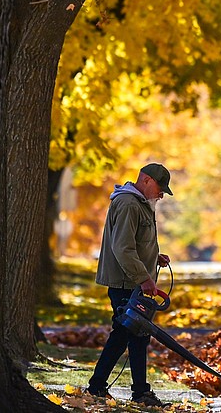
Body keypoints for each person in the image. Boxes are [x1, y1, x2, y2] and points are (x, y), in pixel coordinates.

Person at [86, 163, 174, 408]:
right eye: (160, 187)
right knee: (128, 333)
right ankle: (113, 388)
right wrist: (144, 278)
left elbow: (135, 242)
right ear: (146, 180)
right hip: (126, 282)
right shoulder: (128, 204)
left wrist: (154, 256)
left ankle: (116, 389)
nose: (161, 194)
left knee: (134, 335)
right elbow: (122, 248)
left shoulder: (140, 204)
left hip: (133, 280)